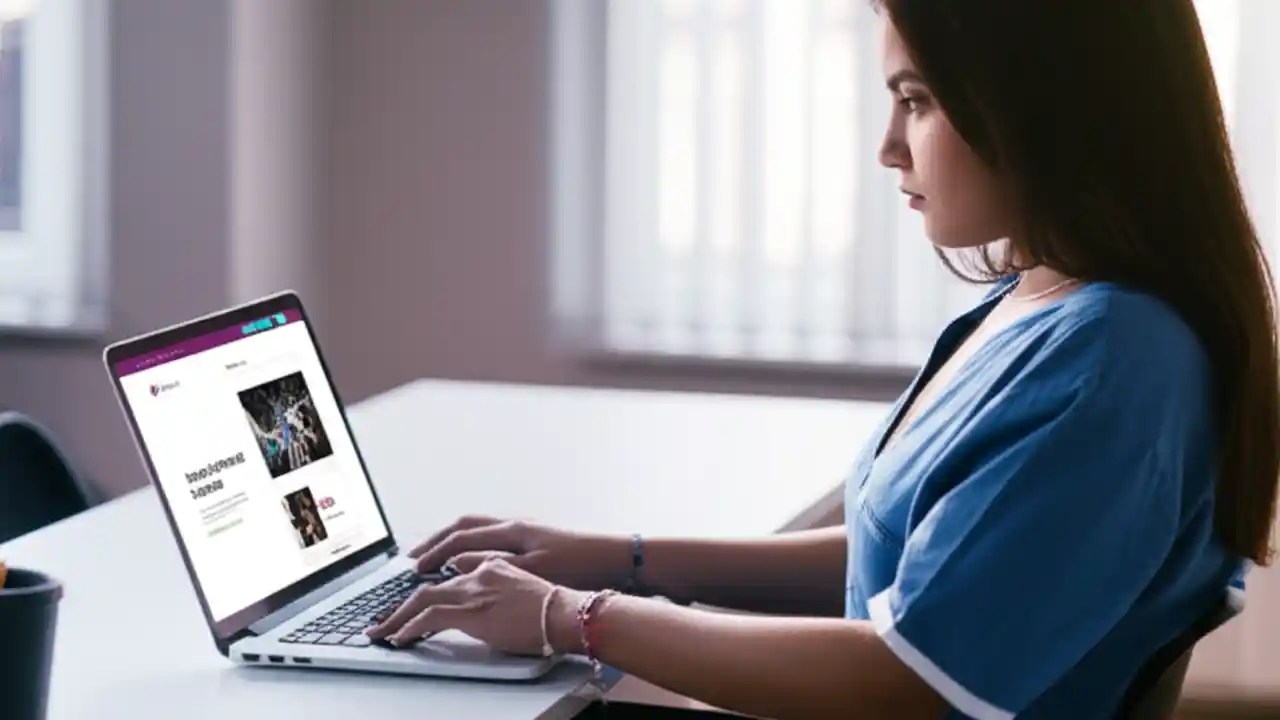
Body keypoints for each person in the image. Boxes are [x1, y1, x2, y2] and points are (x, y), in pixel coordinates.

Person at [367, 1, 1280, 717]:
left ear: (1041, 101)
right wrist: (619, 559)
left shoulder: (1115, 363)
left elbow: (904, 681)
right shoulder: (1041, 301)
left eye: (916, 100)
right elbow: (914, 562)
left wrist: (569, 618)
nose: (888, 147)